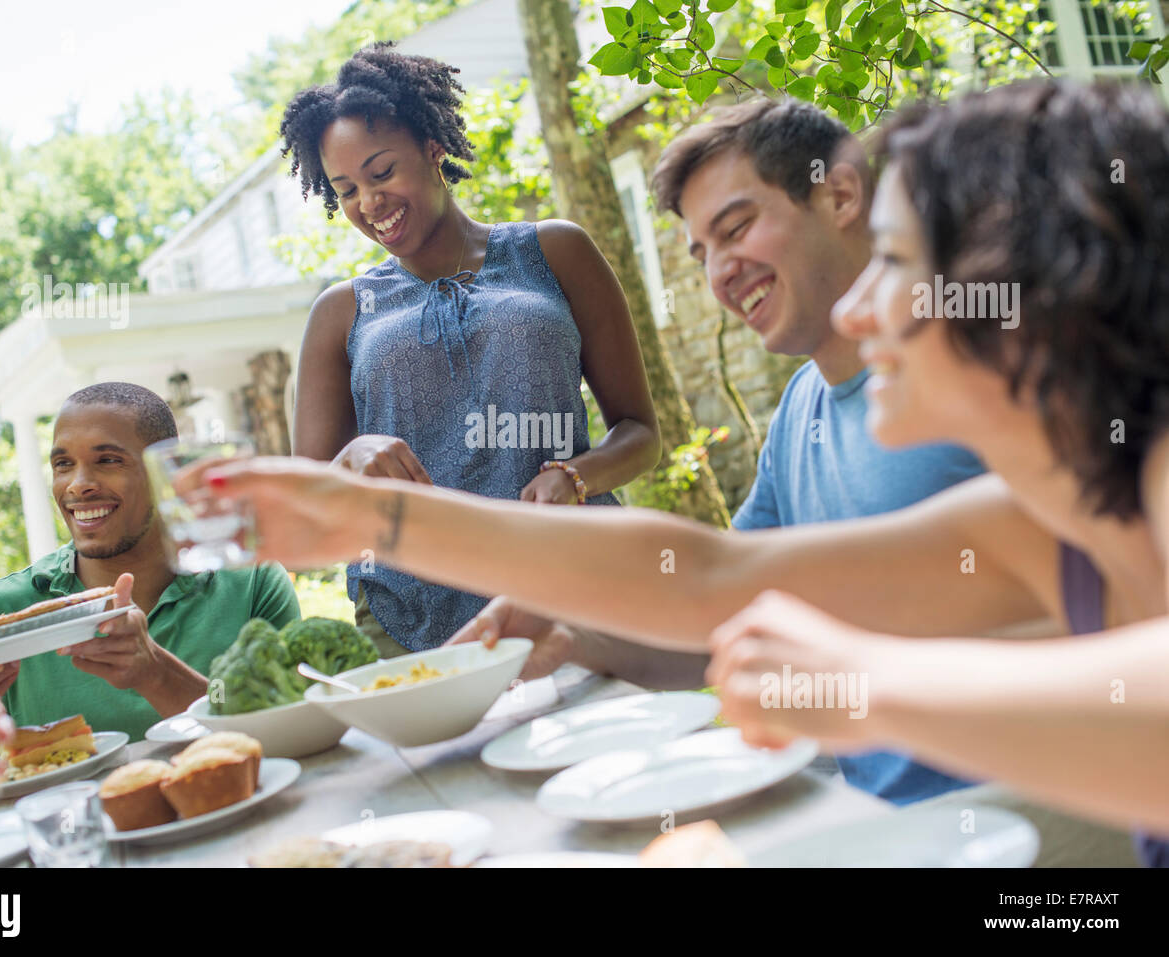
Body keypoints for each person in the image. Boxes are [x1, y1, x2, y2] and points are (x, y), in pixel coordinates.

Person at [189, 81, 1169, 856]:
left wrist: (853, 681)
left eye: (898, 265)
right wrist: (399, 534)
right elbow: (713, 584)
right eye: (699, 249)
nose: (866, 312)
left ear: (1034, 282)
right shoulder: (1033, 509)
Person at [454, 98, 987, 806]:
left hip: (1021, 816)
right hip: (873, 817)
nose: (720, 274)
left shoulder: (983, 370)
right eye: (702, 252)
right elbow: (723, 616)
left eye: (735, 229)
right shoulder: (802, 412)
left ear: (840, 194)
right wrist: (576, 634)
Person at [280, 42, 660, 655]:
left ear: (434, 150)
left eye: (381, 173)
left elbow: (641, 430)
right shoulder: (341, 312)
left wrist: (575, 475)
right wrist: (352, 457)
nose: (368, 203)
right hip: (410, 616)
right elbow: (307, 503)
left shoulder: (554, 252)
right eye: (345, 188)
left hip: (577, 585)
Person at [0, 383, 300, 741]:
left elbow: (291, 730)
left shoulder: (253, 583)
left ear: (170, 475)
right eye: (63, 464)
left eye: (108, 460)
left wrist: (156, 674)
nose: (77, 484)